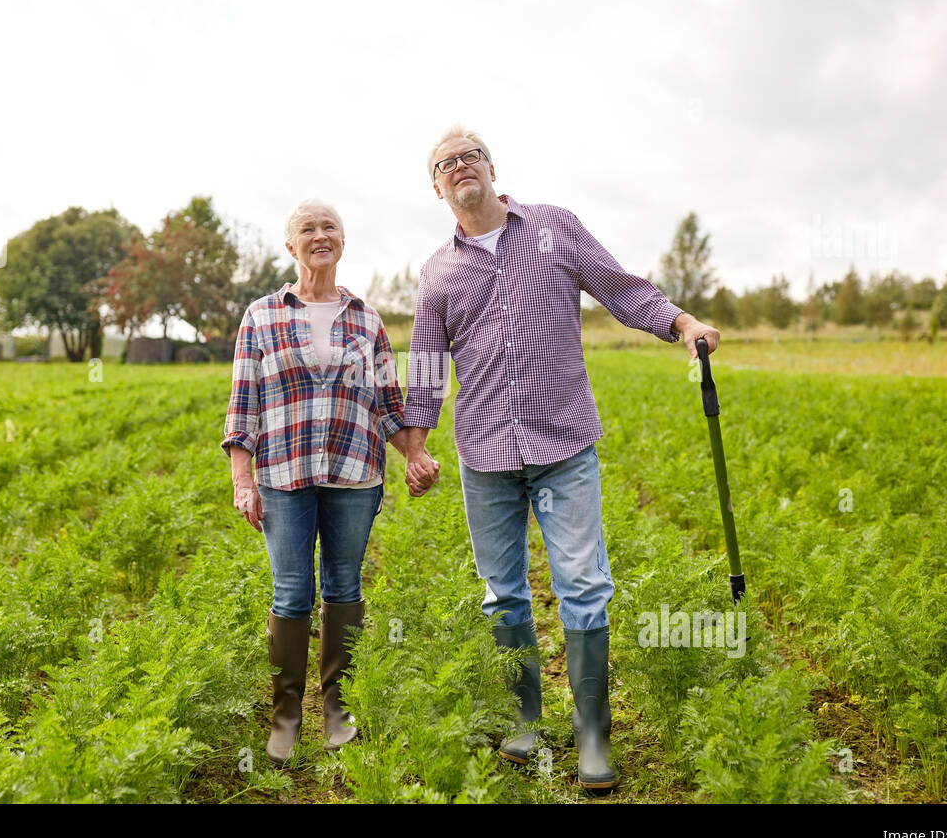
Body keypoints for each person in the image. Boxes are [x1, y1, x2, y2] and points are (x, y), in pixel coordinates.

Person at [401, 126, 721, 791]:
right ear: (435, 187)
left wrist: (682, 324)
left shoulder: (554, 227)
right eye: (445, 164)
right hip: (486, 452)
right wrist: (415, 441)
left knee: (582, 586)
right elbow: (428, 365)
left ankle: (594, 736)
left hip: (564, 445)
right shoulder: (437, 272)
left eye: (469, 157)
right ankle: (525, 722)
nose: (460, 168)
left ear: (491, 167)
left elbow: (620, 289)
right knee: (502, 595)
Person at [222, 199, 418, 765]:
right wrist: (243, 478)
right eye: (307, 229)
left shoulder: (367, 319)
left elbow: (388, 403)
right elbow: (243, 404)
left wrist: (414, 453)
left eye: (329, 226)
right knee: (291, 591)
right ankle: (286, 715)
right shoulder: (261, 315)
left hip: (354, 473)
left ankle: (338, 708)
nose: (320, 235)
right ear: (291, 246)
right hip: (283, 475)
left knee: (343, 586)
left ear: (342, 240)